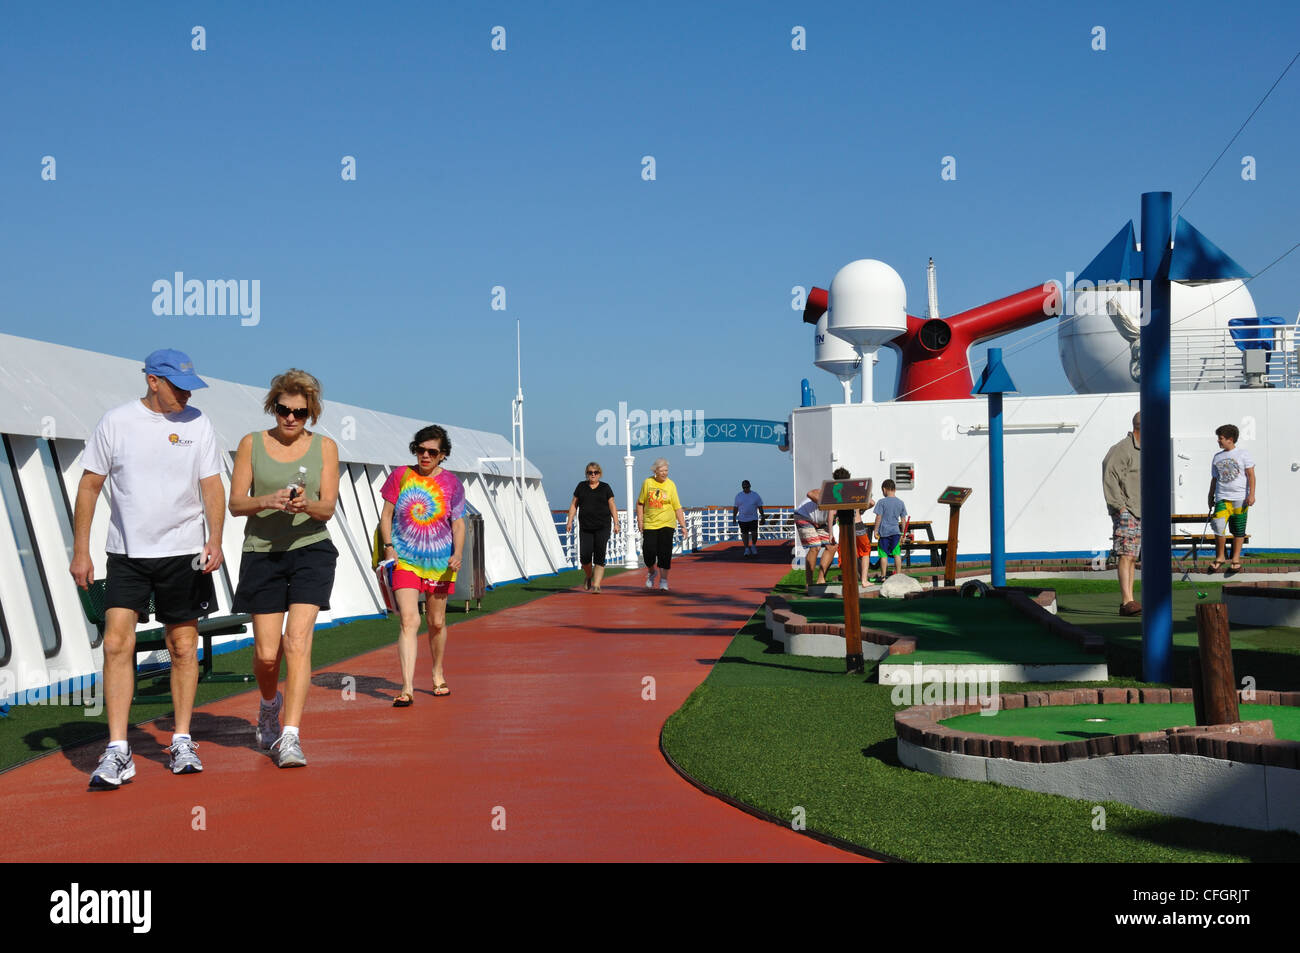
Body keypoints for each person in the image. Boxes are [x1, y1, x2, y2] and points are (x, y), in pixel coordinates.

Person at [70, 349, 225, 789]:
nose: (185, 393)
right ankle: (118, 749)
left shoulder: (199, 423)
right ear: (152, 380)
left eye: (189, 385)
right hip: (127, 554)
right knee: (117, 643)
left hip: (184, 553)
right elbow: (90, 486)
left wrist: (214, 539)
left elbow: (211, 484)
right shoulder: (116, 421)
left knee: (181, 645)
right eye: (176, 384)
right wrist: (82, 550)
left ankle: (180, 740)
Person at [229, 369, 339, 768]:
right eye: (283, 410)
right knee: (267, 653)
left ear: (311, 413)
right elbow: (236, 503)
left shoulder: (325, 447)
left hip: (311, 550)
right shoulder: (251, 444)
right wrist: (269, 500)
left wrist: (304, 504)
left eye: (300, 412)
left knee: (297, 641)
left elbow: (328, 507)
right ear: (272, 406)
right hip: (262, 553)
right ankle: (268, 705)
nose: (291, 418)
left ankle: (290, 736)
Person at [380, 425, 466, 705]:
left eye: (432, 452)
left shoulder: (452, 483)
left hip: (440, 562)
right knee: (409, 620)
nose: (425, 456)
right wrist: (389, 547)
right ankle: (407, 687)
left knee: (437, 622)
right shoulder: (400, 476)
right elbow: (386, 515)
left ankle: (437, 672)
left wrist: (459, 553)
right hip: (405, 559)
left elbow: (458, 522)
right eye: (420, 449)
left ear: (442, 455)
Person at [1102, 412, 1142, 615]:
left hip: (1139, 510)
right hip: (1127, 510)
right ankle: (1127, 600)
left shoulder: (1142, 450)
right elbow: (1109, 474)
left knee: (1132, 556)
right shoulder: (1123, 448)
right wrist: (1120, 507)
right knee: (1126, 554)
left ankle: (1130, 600)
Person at [1207, 423, 1256, 575]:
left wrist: (1252, 494)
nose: (1218, 441)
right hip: (1222, 497)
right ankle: (1220, 557)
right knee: (1218, 525)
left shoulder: (1243, 454)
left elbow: (1251, 475)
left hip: (1240, 498)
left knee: (1238, 529)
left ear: (1230, 439)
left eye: (1220, 438)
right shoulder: (1217, 457)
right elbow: (1214, 479)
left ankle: (1235, 559)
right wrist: (1210, 495)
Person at [566, 462, 619, 592]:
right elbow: (574, 504)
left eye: (595, 472)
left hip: (603, 526)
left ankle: (596, 585)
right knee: (585, 556)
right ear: (587, 474)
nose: (593, 475)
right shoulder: (581, 486)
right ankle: (589, 576)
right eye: (590, 472)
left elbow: (612, 505)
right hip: (586, 527)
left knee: (600, 555)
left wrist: (616, 523)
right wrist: (570, 521)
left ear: (600, 474)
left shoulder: (605, 487)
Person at [637, 457, 686, 592]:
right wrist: (640, 521)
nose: (665, 473)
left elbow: (677, 506)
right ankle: (652, 572)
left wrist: (683, 526)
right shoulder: (647, 483)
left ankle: (664, 580)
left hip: (667, 523)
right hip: (650, 523)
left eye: (666, 470)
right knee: (648, 552)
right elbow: (640, 503)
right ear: (655, 471)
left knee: (665, 552)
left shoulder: (671, 485)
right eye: (662, 471)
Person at [871, 479, 909, 580]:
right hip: (896, 532)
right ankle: (899, 575)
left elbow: (878, 517)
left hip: (884, 533)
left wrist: (875, 530)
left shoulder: (881, 502)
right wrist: (903, 535)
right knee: (897, 554)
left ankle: (883, 576)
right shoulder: (900, 503)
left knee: (883, 554)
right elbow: (903, 519)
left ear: (884, 489)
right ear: (895, 489)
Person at [732, 480, 765, 557]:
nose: (745, 488)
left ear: (750, 486)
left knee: (754, 533)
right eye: (744, 487)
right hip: (742, 519)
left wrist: (763, 516)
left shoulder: (755, 495)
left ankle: (753, 546)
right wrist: (734, 517)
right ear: (742, 487)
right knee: (744, 534)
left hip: (753, 518)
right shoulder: (738, 496)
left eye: (747, 487)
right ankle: (746, 548)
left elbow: (760, 506)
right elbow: (735, 508)